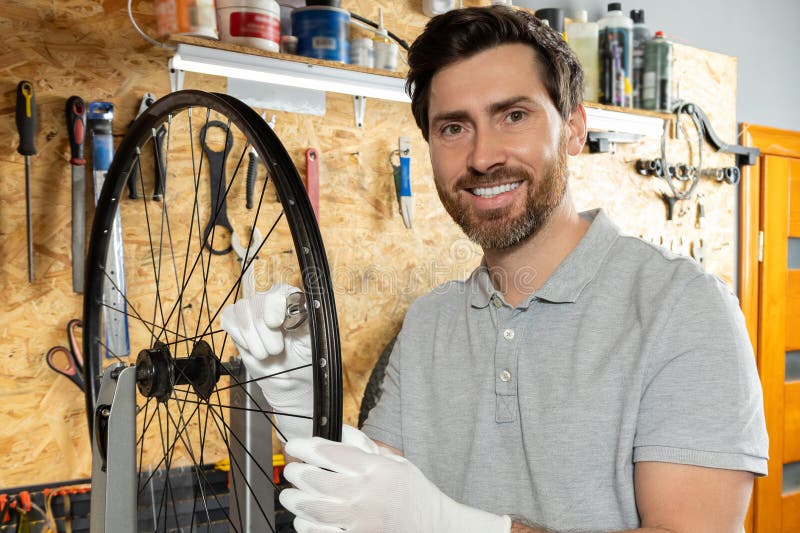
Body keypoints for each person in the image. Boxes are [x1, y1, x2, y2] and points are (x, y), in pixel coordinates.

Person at [221, 6, 768, 533]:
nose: (483, 157)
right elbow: (372, 500)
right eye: (453, 128)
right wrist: (298, 404)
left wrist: (457, 527)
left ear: (574, 128)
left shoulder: (684, 308)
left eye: (513, 115)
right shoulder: (430, 322)